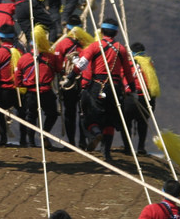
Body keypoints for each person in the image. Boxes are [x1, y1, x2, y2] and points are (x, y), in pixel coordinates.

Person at [72, 17, 136, 162]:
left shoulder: (95, 46)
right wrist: (132, 89)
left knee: (89, 116)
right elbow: (127, 71)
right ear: (116, 33)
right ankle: (106, 153)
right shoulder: (121, 49)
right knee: (110, 120)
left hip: (97, 85)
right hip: (115, 87)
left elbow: (82, 63)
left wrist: (71, 75)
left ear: (101, 31)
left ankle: (96, 133)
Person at [54, 14, 93, 147]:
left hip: (68, 82)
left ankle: (71, 142)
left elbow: (58, 65)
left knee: (69, 112)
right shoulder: (87, 43)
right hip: (85, 82)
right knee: (83, 112)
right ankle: (83, 142)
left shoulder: (63, 44)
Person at [14, 41, 60, 149]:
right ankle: (45, 133)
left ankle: (31, 142)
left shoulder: (23, 59)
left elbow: (17, 80)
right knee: (52, 114)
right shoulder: (50, 57)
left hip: (31, 92)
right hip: (46, 91)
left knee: (31, 116)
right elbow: (58, 70)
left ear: (30, 46)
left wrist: (23, 86)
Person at [125, 42, 160, 155]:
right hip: (147, 98)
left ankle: (127, 147)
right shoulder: (150, 64)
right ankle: (141, 147)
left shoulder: (129, 63)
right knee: (143, 122)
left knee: (127, 122)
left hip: (131, 97)